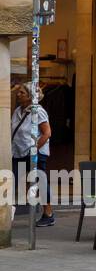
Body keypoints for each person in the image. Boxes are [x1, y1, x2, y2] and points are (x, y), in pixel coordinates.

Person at [11, 83, 54, 225]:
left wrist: (33, 150)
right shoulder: (18, 110)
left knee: (41, 181)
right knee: (12, 180)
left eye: (22, 93)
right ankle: (6, 211)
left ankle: (48, 214)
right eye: (19, 92)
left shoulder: (38, 111)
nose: (18, 94)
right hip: (18, 152)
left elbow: (47, 133)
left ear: (30, 96)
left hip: (35, 153)